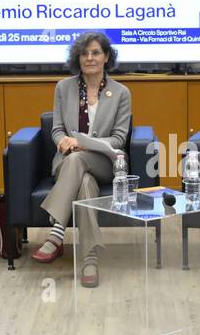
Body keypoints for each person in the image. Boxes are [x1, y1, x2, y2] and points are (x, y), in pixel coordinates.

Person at [30, 31, 132, 288]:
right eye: (84, 53)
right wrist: (63, 141)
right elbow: (57, 129)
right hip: (68, 162)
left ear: (106, 56)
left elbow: (119, 138)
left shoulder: (121, 92)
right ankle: (89, 260)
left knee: (81, 161)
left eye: (96, 52)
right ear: (78, 58)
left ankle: (56, 231)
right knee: (84, 181)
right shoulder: (63, 87)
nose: (89, 57)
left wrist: (83, 143)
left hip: (106, 162)